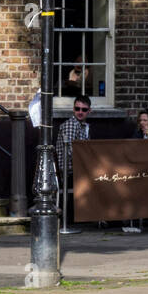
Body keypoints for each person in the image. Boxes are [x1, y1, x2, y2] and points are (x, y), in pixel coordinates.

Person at [56, 95, 90, 225]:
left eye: (84, 109)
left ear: (89, 111)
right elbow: (69, 150)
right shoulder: (71, 124)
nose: (80, 112)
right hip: (68, 170)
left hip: (75, 168)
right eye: (77, 109)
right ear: (73, 109)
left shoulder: (82, 126)